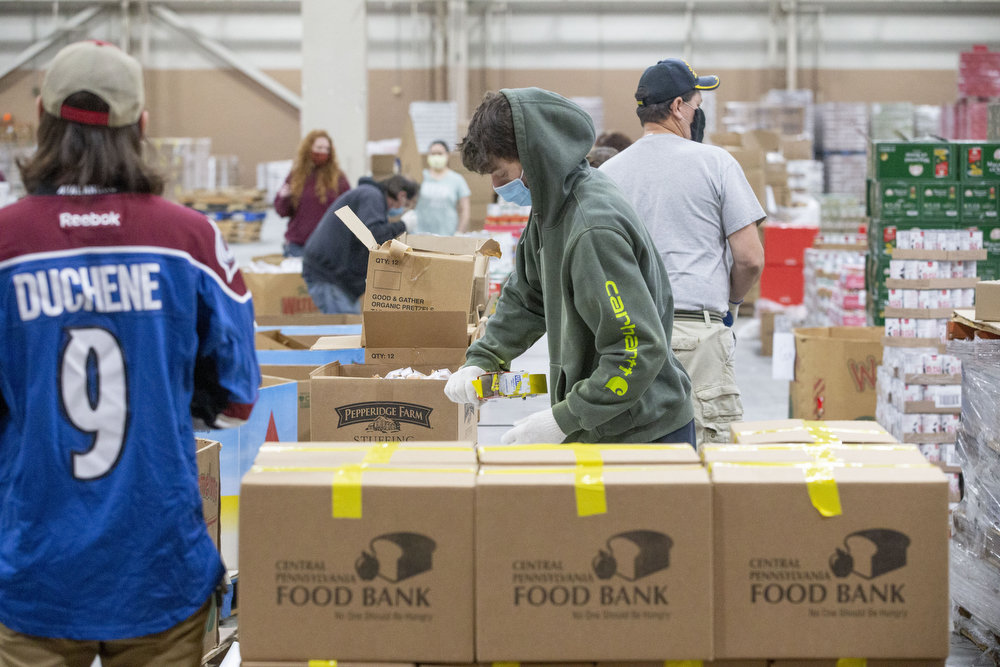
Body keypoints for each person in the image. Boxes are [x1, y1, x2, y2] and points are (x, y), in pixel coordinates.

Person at [0, 40, 259, 665]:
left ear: (40, 118)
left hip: (31, 563)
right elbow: (237, 401)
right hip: (157, 561)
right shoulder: (191, 240)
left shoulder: (6, 243)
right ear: (141, 126)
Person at [444, 88, 694, 446]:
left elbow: (637, 350)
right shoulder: (550, 210)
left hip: (643, 432)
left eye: (500, 172)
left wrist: (564, 418)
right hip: (607, 422)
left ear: (536, 156)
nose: (497, 187)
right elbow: (527, 296)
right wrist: (483, 358)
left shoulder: (592, 227)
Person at [600, 58, 765, 445]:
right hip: (697, 335)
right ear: (678, 107)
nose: (697, 112)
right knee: (707, 465)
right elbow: (750, 258)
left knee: (639, 464)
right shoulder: (716, 163)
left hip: (630, 338)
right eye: (696, 103)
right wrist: (733, 301)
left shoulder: (608, 175)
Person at [302, 174, 419, 314]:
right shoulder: (372, 196)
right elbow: (374, 235)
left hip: (336, 276)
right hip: (329, 275)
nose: (401, 210)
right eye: (405, 205)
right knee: (348, 331)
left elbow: (365, 238)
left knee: (353, 327)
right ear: (401, 195)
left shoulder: (367, 195)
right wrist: (403, 224)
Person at [274, 129, 350, 257]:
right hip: (298, 246)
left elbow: (349, 209)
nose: (323, 152)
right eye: (319, 148)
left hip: (329, 246)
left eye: (327, 149)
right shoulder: (296, 176)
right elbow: (282, 211)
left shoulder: (338, 178)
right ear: (308, 148)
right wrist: (283, 197)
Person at [414, 140, 472, 235]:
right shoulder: (420, 177)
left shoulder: (457, 180)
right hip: (420, 234)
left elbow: (465, 209)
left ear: (447, 155)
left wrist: (460, 231)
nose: (436, 156)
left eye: (440, 153)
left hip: (447, 235)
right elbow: (410, 202)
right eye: (433, 153)